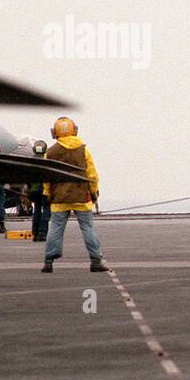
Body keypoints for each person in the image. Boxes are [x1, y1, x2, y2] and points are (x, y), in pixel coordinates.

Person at [41, 117, 110, 273]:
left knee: (56, 228)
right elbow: (92, 174)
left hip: (59, 198)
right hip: (81, 197)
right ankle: (95, 261)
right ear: (74, 130)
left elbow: (46, 176)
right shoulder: (83, 150)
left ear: (55, 132)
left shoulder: (50, 152)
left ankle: (48, 262)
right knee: (87, 228)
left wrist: (47, 193)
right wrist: (94, 191)